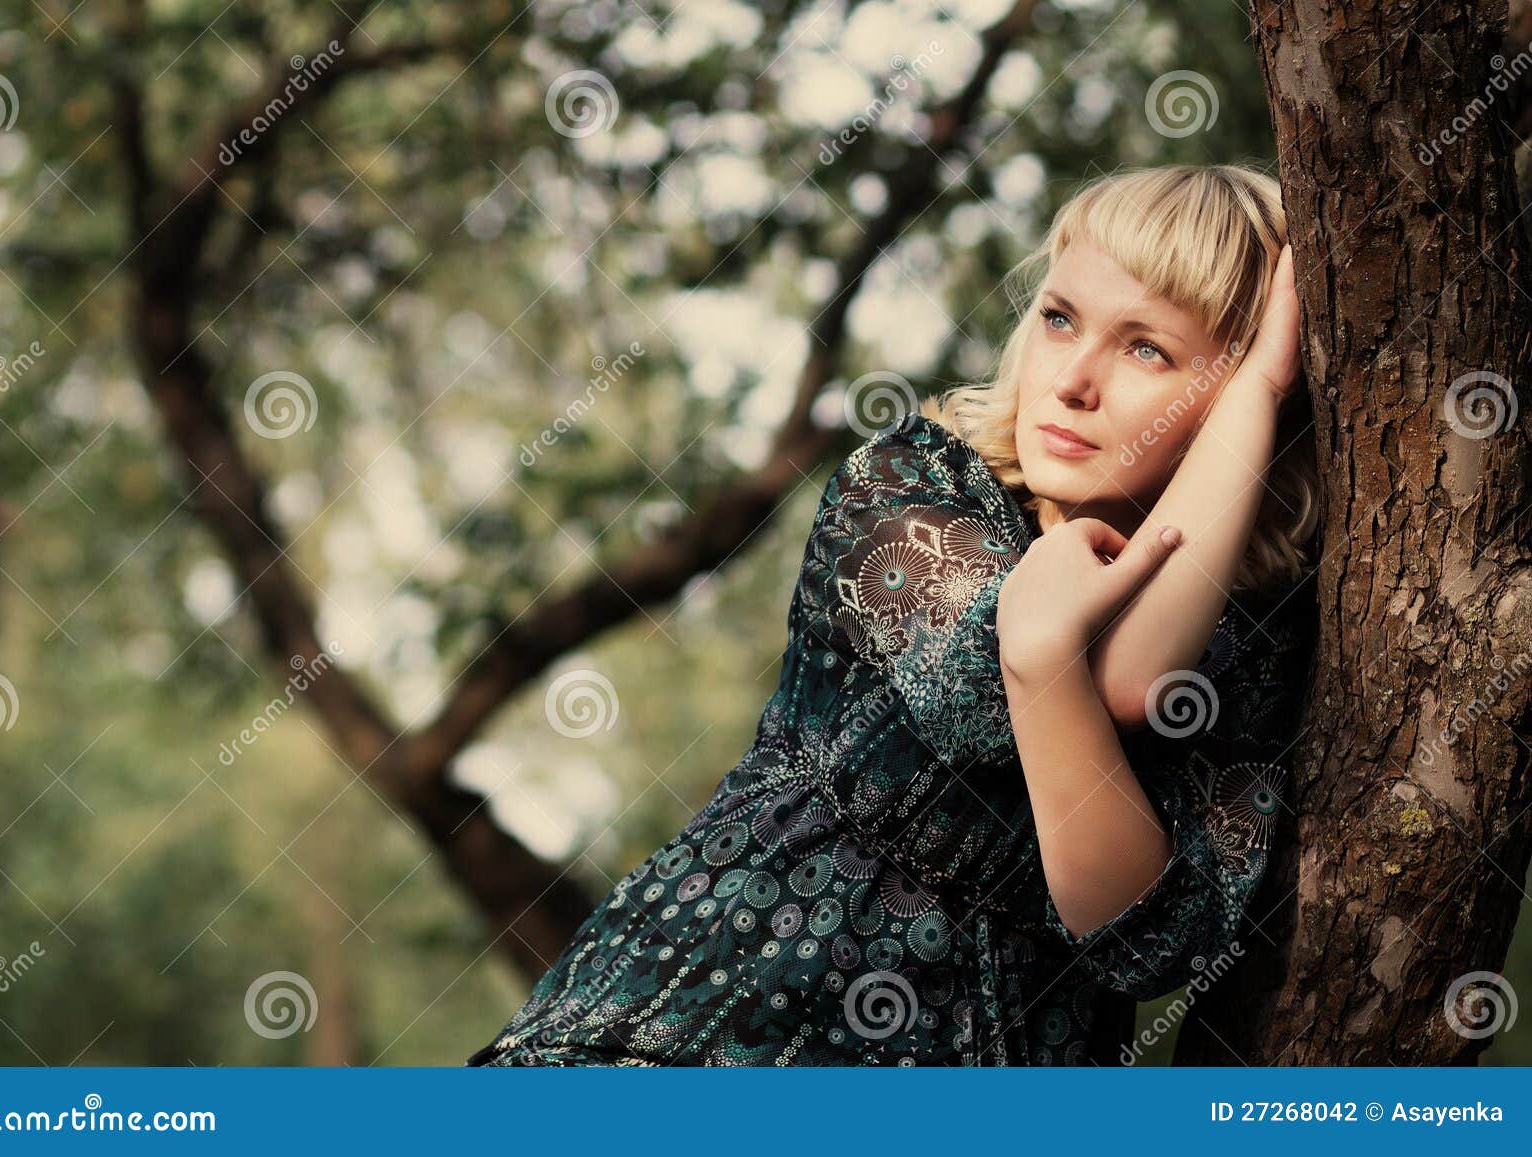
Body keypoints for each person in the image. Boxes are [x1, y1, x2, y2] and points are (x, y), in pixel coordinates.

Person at [466, 162, 1321, 1066]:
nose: (1073, 379)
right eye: (1060, 318)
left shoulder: (1254, 652)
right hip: (692, 1040)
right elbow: (1085, 686)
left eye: (1147, 348)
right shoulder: (908, 491)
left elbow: (1143, 936)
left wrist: (1261, 384)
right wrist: (1036, 662)